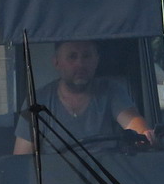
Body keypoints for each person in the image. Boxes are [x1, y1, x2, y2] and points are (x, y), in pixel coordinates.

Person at [13, 39, 153, 154]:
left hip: (110, 182)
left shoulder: (112, 91)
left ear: (96, 60)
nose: (80, 64)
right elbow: (21, 161)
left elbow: (137, 128)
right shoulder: (37, 102)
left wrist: (145, 136)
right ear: (56, 62)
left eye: (86, 56)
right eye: (72, 57)